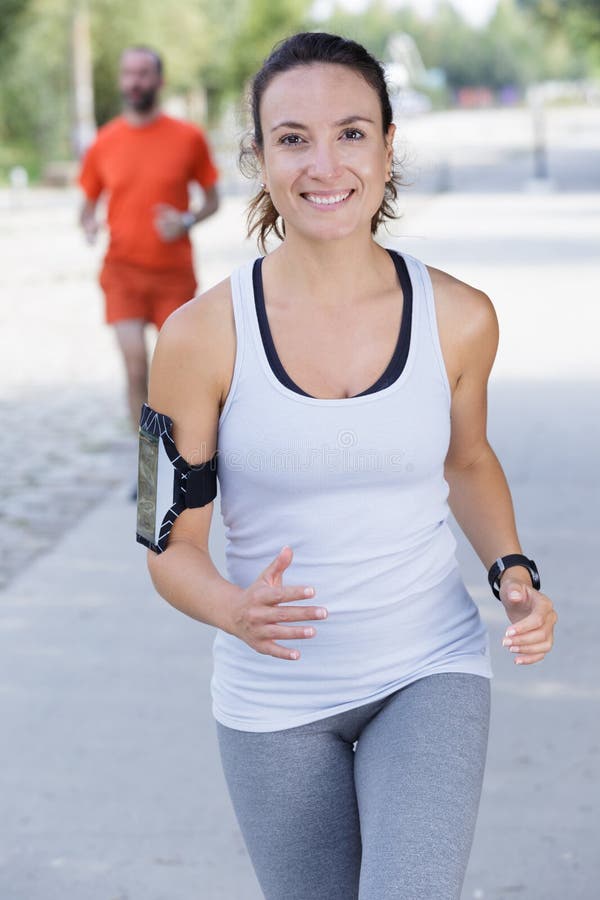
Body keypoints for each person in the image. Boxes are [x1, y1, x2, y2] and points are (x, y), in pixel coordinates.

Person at [143, 32, 558, 900]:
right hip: (273, 698)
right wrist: (232, 608)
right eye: (293, 138)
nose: (324, 164)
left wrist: (512, 571)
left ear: (388, 146)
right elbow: (163, 541)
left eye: (352, 133)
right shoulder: (193, 337)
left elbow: (468, 460)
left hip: (429, 667)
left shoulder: (462, 317)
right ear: (259, 157)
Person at [78, 45, 219, 432]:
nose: (134, 81)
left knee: (174, 371)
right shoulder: (104, 141)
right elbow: (86, 207)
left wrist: (186, 220)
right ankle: (146, 458)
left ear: (159, 80)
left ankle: (182, 448)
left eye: (143, 73)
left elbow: (212, 201)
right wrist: (89, 225)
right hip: (122, 272)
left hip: (173, 274)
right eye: (128, 74)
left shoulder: (188, 137)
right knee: (136, 366)